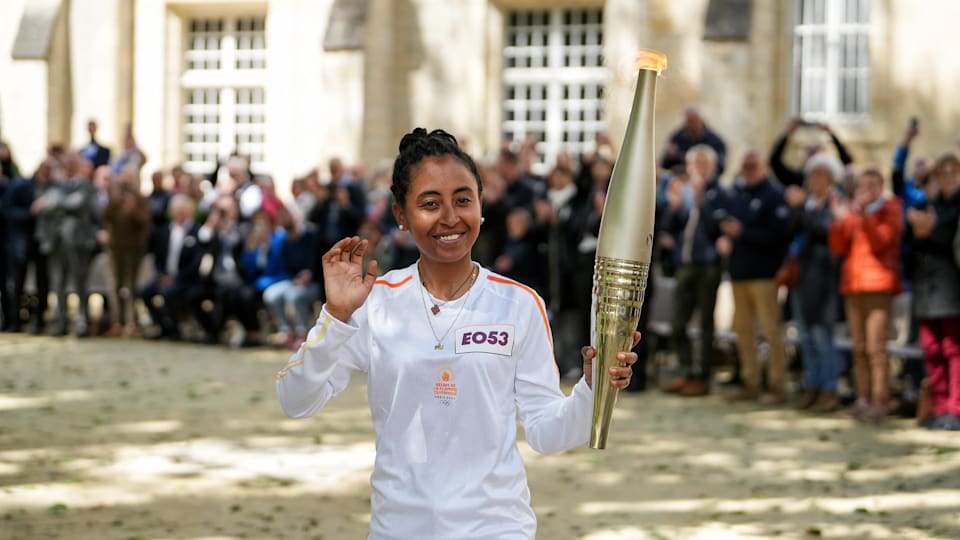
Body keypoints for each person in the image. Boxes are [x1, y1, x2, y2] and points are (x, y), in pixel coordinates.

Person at [276, 128, 640, 540]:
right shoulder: (375, 303)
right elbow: (295, 400)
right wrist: (336, 317)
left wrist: (592, 388)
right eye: (430, 203)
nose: (450, 217)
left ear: (481, 206)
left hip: (496, 528)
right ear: (400, 214)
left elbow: (546, 432)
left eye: (463, 200)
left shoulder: (519, 305)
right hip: (399, 529)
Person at [714, 151, 791, 404]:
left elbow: (778, 237)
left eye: (753, 166)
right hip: (739, 272)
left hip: (764, 274)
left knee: (771, 331)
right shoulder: (738, 194)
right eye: (745, 166)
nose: (748, 170)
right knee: (743, 331)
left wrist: (743, 232)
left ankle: (777, 386)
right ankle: (750, 383)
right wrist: (727, 238)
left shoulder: (774, 195)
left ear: (765, 167)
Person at [829, 168, 903, 423]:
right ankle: (862, 399)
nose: (867, 190)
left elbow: (882, 240)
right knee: (859, 348)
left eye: (872, 185)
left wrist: (865, 216)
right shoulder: (853, 211)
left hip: (879, 285)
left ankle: (880, 401)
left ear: (881, 187)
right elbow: (838, 248)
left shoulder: (890, 209)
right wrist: (838, 223)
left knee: (876, 349)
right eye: (863, 185)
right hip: (853, 285)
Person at [660, 145, 724, 397]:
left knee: (705, 324)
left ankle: (703, 377)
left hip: (708, 265)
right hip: (684, 263)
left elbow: (717, 228)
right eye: (695, 164)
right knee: (678, 324)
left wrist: (701, 200)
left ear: (713, 167)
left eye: (703, 164)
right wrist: (674, 207)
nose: (699, 169)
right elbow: (669, 229)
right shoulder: (682, 192)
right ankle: (686, 372)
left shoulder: (719, 193)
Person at [785, 153, 844, 412]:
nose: (815, 180)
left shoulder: (835, 203)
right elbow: (790, 231)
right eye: (812, 175)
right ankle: (813, 385)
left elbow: (825, 230)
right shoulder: (806, 204)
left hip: (824, 281)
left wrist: (800, 209)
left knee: (822, 337)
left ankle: (829, 389)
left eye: (821, 175)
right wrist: (796, 209)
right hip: (801, 278)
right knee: (806, 336)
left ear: (831, 179)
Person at [907, 154, 960, 430]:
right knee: (932, 349)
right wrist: (919, 232)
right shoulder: (931, 206)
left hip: (952, 287)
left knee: (954, 349)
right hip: (926, 288)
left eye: (954, 173)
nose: (948, 178)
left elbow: (950, 242)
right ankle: (940, 407)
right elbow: (913, 244)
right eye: (943, 174)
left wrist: (931, 230)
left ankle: (956, 407)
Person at [769, 118, 853, 187]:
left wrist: (831, 134)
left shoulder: (834, 178)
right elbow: (775, 161)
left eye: (816, 151)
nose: (813, 157)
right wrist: (788, 133)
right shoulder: (796, 179)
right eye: (809, 151)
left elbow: (848, 163)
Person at [660, 105, 727, 175]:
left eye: (694, 121)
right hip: (681, 177)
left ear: (701, 120)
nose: (692, 125)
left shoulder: (715, 141)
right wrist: (670, 157)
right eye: (689, 121)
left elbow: (721, 165)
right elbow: (665, 164)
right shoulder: (676, 138)